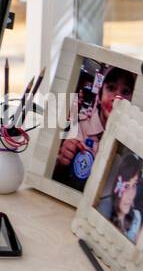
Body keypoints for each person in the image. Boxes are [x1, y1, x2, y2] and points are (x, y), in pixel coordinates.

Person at [52, 65, 135, 193]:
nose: (117, 98)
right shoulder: (80, 127)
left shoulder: (130, 142)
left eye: (125, 92)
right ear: (100, 95)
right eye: (111, 88)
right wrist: (62, 160)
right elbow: (55, 174)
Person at [96, 152, 143, 244]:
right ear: (117, 186)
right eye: (126, 186)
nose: (130, 195)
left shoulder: (137, 217)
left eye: (134, 185)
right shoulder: (104, 209)